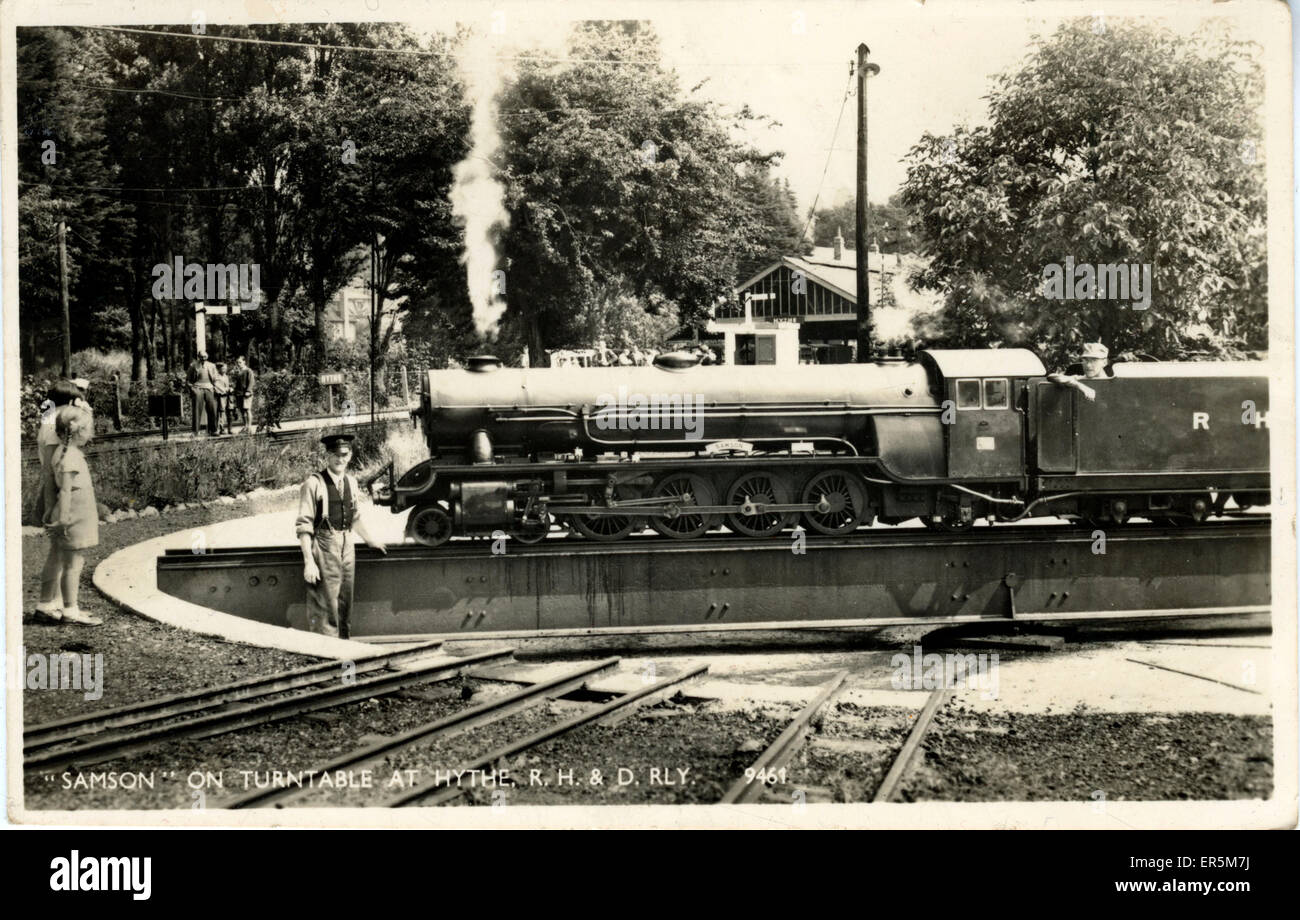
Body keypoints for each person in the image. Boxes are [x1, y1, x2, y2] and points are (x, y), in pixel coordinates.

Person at [294, 433, 387, 638]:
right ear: (327, 456)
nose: (340, 459)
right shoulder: (314, 483)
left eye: (344, 454)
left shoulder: (351, 483)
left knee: (345, 600)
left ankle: (343, 649)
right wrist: (309, 562)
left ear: (350, 455)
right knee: (326, 604)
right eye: (335, 455)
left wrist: (370, 540)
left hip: (347, 546)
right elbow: (304, 527)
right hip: (325, 545)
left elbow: (355, 517)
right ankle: (327, 654)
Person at [34, 405, 102, 626]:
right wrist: (63, 518)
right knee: (74, 564)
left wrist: (51, 511)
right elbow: (65, 490)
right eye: (89, 430)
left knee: (56, 557)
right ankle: (71, 610)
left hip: (66, 515)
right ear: (79, 432)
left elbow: (54, 487)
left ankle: (45, 604)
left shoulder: (59, 454)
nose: (90, 435)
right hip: (73, 516)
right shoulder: (71, 457)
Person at [187, 351, 219, 435]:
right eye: (201, 357)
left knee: (212, 409)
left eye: (205, 357)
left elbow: (216, 378)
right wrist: (192, 389)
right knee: (197, 410)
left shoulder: (212, 366)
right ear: (198, 357)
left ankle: (213, 430)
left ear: (207, 356)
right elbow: (188, 380)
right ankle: (195, 431)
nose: (203, 358)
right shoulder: (193, 365)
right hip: (198, 388)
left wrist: (214, 387)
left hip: (209, 388)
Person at [230, 355, 256, 433]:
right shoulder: (237, 372)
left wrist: (248, 391)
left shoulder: (248, 371)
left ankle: (249, 427)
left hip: (246, 394)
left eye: (240, 362)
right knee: (242, 411)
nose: (238, 364)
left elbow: (251, 381)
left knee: (247, 409)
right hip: (239, 394)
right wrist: (233, 389)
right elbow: (235, 383)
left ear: (244, 362)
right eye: (237, 362)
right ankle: (245, 426)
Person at [213, 362, 231, 435]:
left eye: (225, 368)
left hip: (225, 396)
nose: (225, 370)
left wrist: (228, 389)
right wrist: (222, 390)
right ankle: (217, 429)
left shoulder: (226, 377)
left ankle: (222, 428)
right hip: (218, 396)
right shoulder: (216, 376)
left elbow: (227, 385)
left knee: (223, 412)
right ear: (219, 369)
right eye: (223, 368)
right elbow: (215, 385)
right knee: (218, 412)